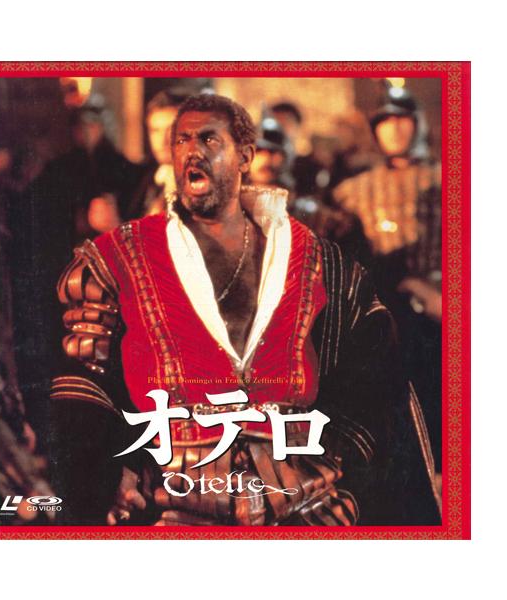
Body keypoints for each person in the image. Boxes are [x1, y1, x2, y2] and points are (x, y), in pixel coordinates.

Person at [49, 93, 440, 526]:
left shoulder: (317, 260)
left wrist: (344, 468)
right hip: (172, 506)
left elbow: (375, 378)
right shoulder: (119, 256)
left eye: (209, 139)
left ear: (245, 157)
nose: (192, 151)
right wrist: (108, 471)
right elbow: (81, 376)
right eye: (181, 140)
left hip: (305, 509)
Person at [332, 85, 443, 471]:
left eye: (402, 120)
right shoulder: (352, 191)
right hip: (385, 309)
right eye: (385, 121)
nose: (394, 129)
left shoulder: (450, 180)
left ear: (418, 124)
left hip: (443, 307)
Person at [124, 87, 193, 219]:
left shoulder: (203, 185)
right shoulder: (145, 179)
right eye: (155, 130)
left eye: (171, 130)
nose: (162, 140)